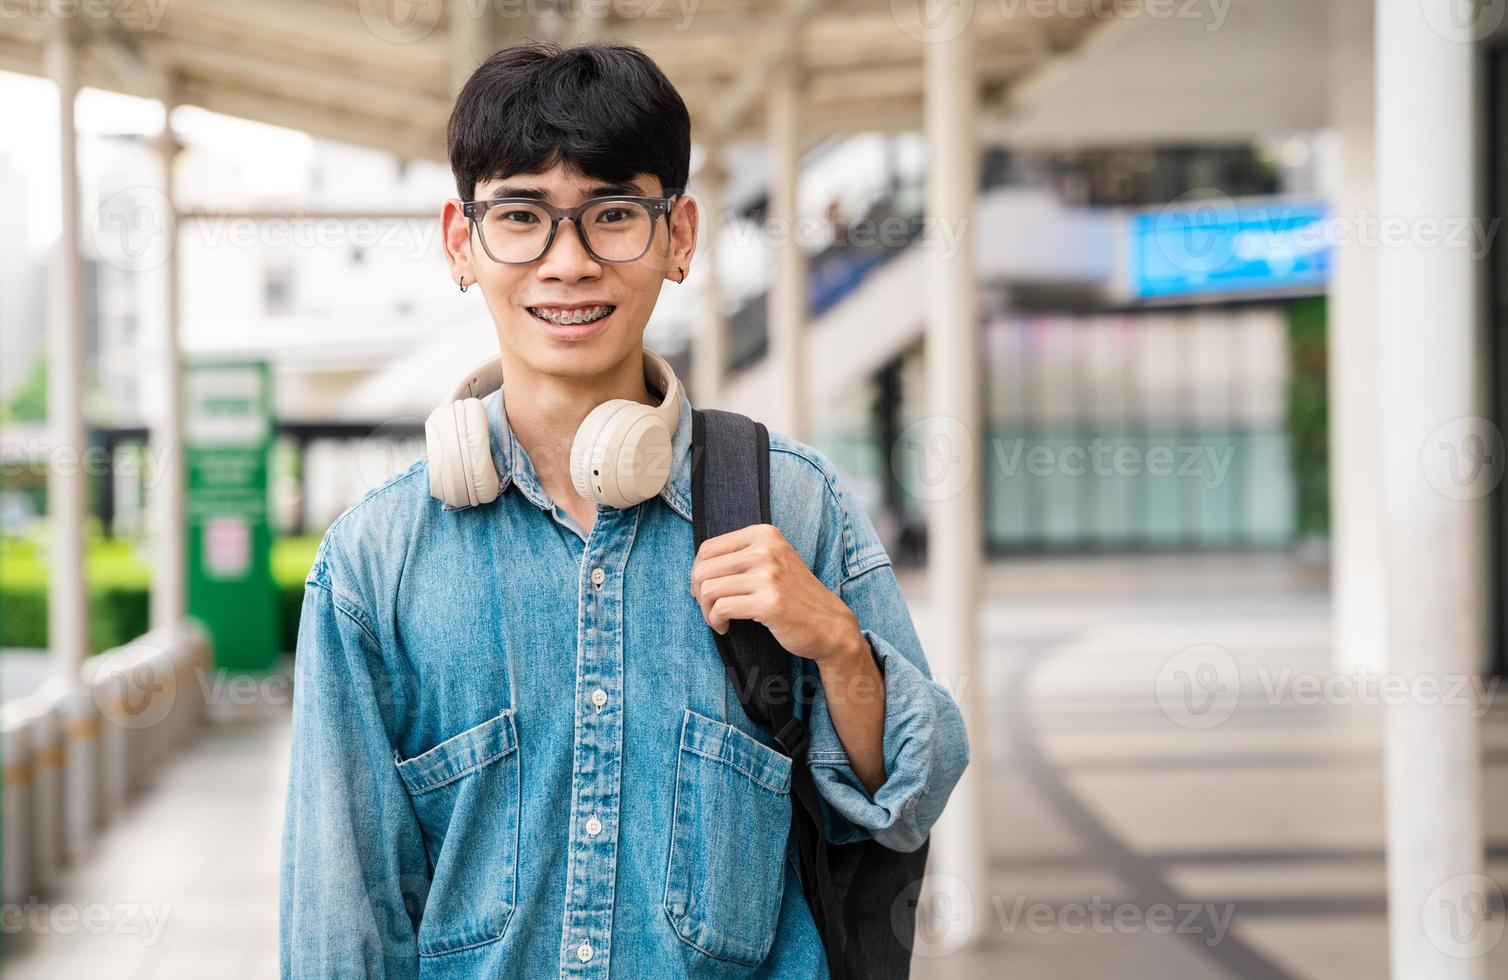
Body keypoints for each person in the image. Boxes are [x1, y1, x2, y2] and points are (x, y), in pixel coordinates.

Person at [279, 41, 969, 979]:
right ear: (460, 241)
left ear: (679, 237)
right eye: (520, 216)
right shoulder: (377, 561)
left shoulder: (792, 506)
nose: (568, 263)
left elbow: (909, 802)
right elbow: (338, 922)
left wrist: (843, 650)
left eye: (613, 215)